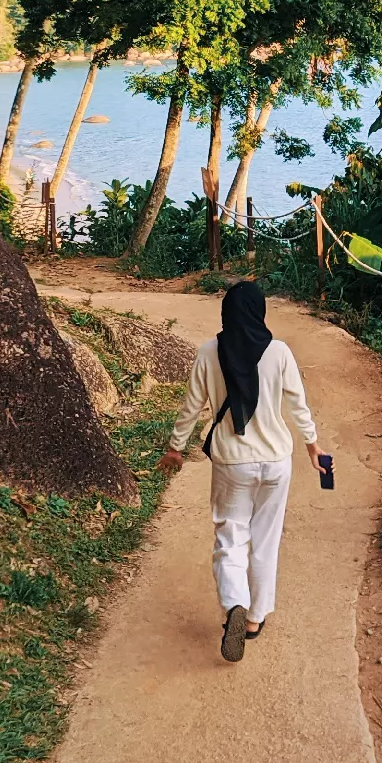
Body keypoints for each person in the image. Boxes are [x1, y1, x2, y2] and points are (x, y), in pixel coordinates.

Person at [159, 281, 325, 664]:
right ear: (259, 312)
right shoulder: (279, 352)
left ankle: (235, 601)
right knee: (266, 540)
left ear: (225, 313)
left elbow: (191, 406)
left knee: (231, 537)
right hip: (276, 461)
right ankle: (253, 619)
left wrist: (175, 448)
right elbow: (298, 405)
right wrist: (313, 444)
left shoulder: (209, 352)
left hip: (233, 462)